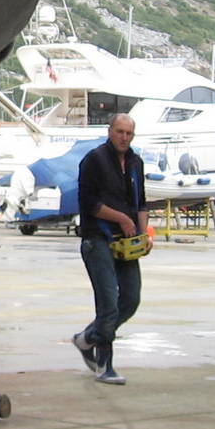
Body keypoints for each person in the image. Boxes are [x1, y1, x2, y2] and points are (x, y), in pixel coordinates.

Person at [71, 113, 150, 385]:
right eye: (120, 132)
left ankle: (87, 339)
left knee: (131, 299)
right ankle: (105, 364)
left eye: (129, 133)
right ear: (109, 131)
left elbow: (141, 202)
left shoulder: (136, 162)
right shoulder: (94, 160)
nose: (124, 137)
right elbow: (88, 203)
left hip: (127, 242)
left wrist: (143, 234)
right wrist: (122, 219)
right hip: (98, 239)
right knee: (108, 302)